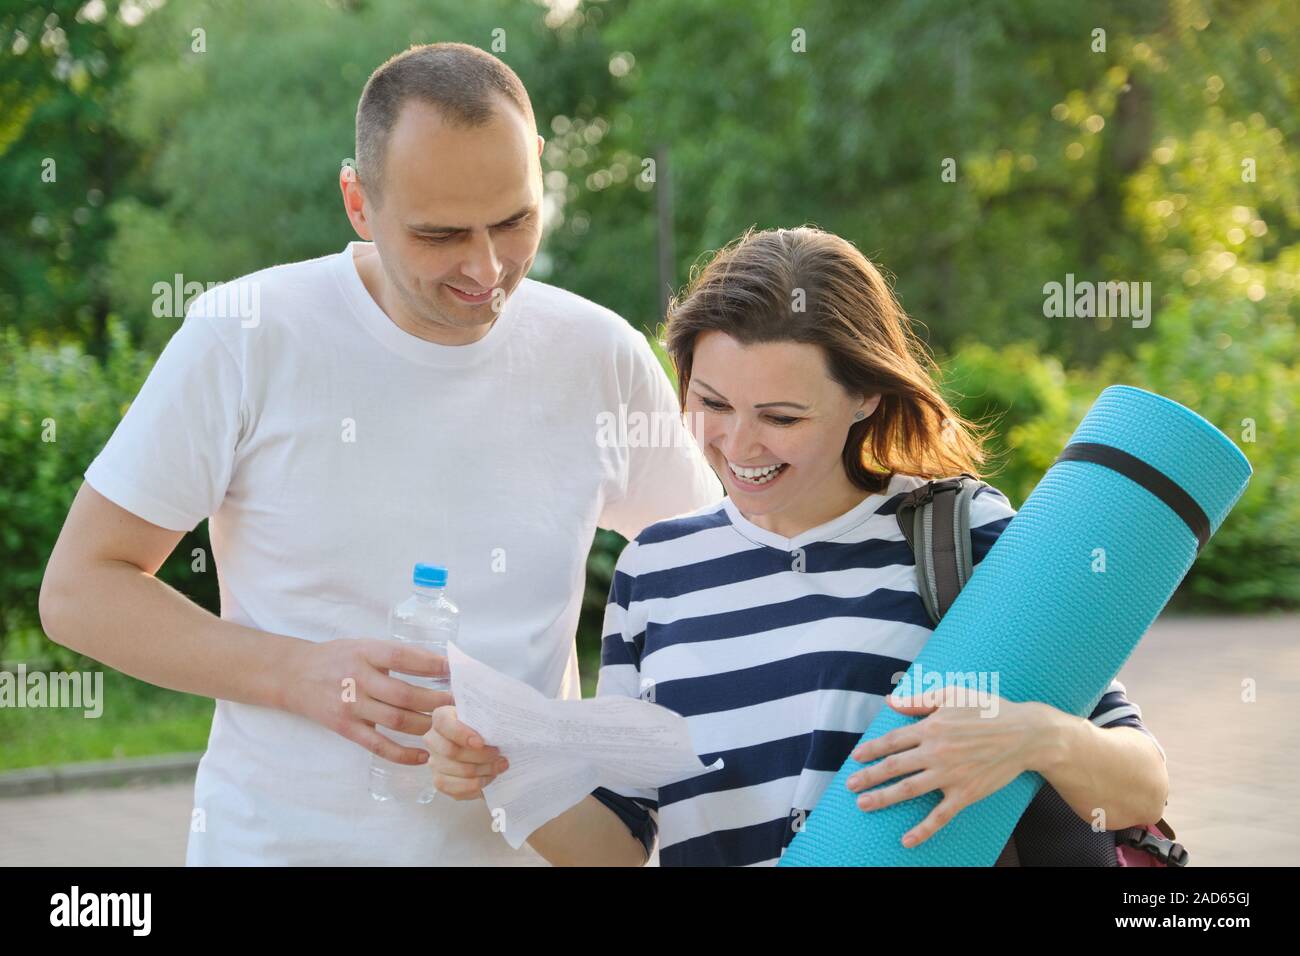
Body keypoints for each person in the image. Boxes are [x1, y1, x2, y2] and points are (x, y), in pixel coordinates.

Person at [38, 42, 722, 865]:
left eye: (514, 220)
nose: (487, 268)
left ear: (539, 166)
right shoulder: (245, 335)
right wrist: (294, 673)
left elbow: (716, 590)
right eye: (440, 234)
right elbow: (80, 591)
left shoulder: (599, 355)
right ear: (358, 202)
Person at [425, 226, 1169, 866]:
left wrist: (1030, 737)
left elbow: (1140, 782)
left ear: (865, 396)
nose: (738, 445)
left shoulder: (959, 534)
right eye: (711, 403)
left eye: (781, 416)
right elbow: (622, 841)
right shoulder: (655, 572)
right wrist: (508, 774)